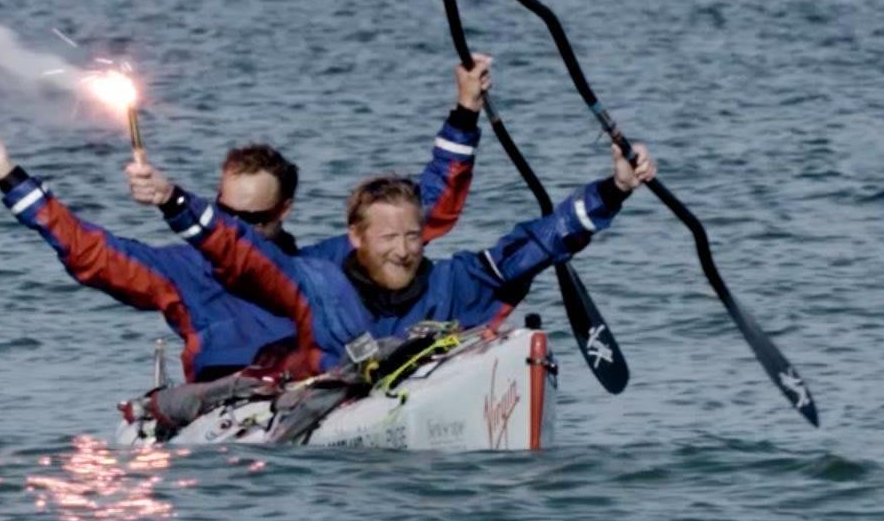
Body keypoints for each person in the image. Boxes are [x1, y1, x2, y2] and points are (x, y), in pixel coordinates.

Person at [0, 57, 491, 379]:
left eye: (252, 221)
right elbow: (89, 252)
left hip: (323, 391)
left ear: (285, 211)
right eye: (226, 215)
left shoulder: (326, 267)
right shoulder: (180, 274)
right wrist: (9, 176)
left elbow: (424, 211)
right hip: (230, 420)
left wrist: (465, 111)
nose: (234, 232)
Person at [128, 134, 656, 372]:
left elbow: (538, 242)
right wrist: (172, 202)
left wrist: (614, 189)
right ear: (357, 238)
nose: (404, 251)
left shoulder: (454, 281)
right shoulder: (317, 278)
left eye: (413, 237)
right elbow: (237, 252)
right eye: (389, 238)